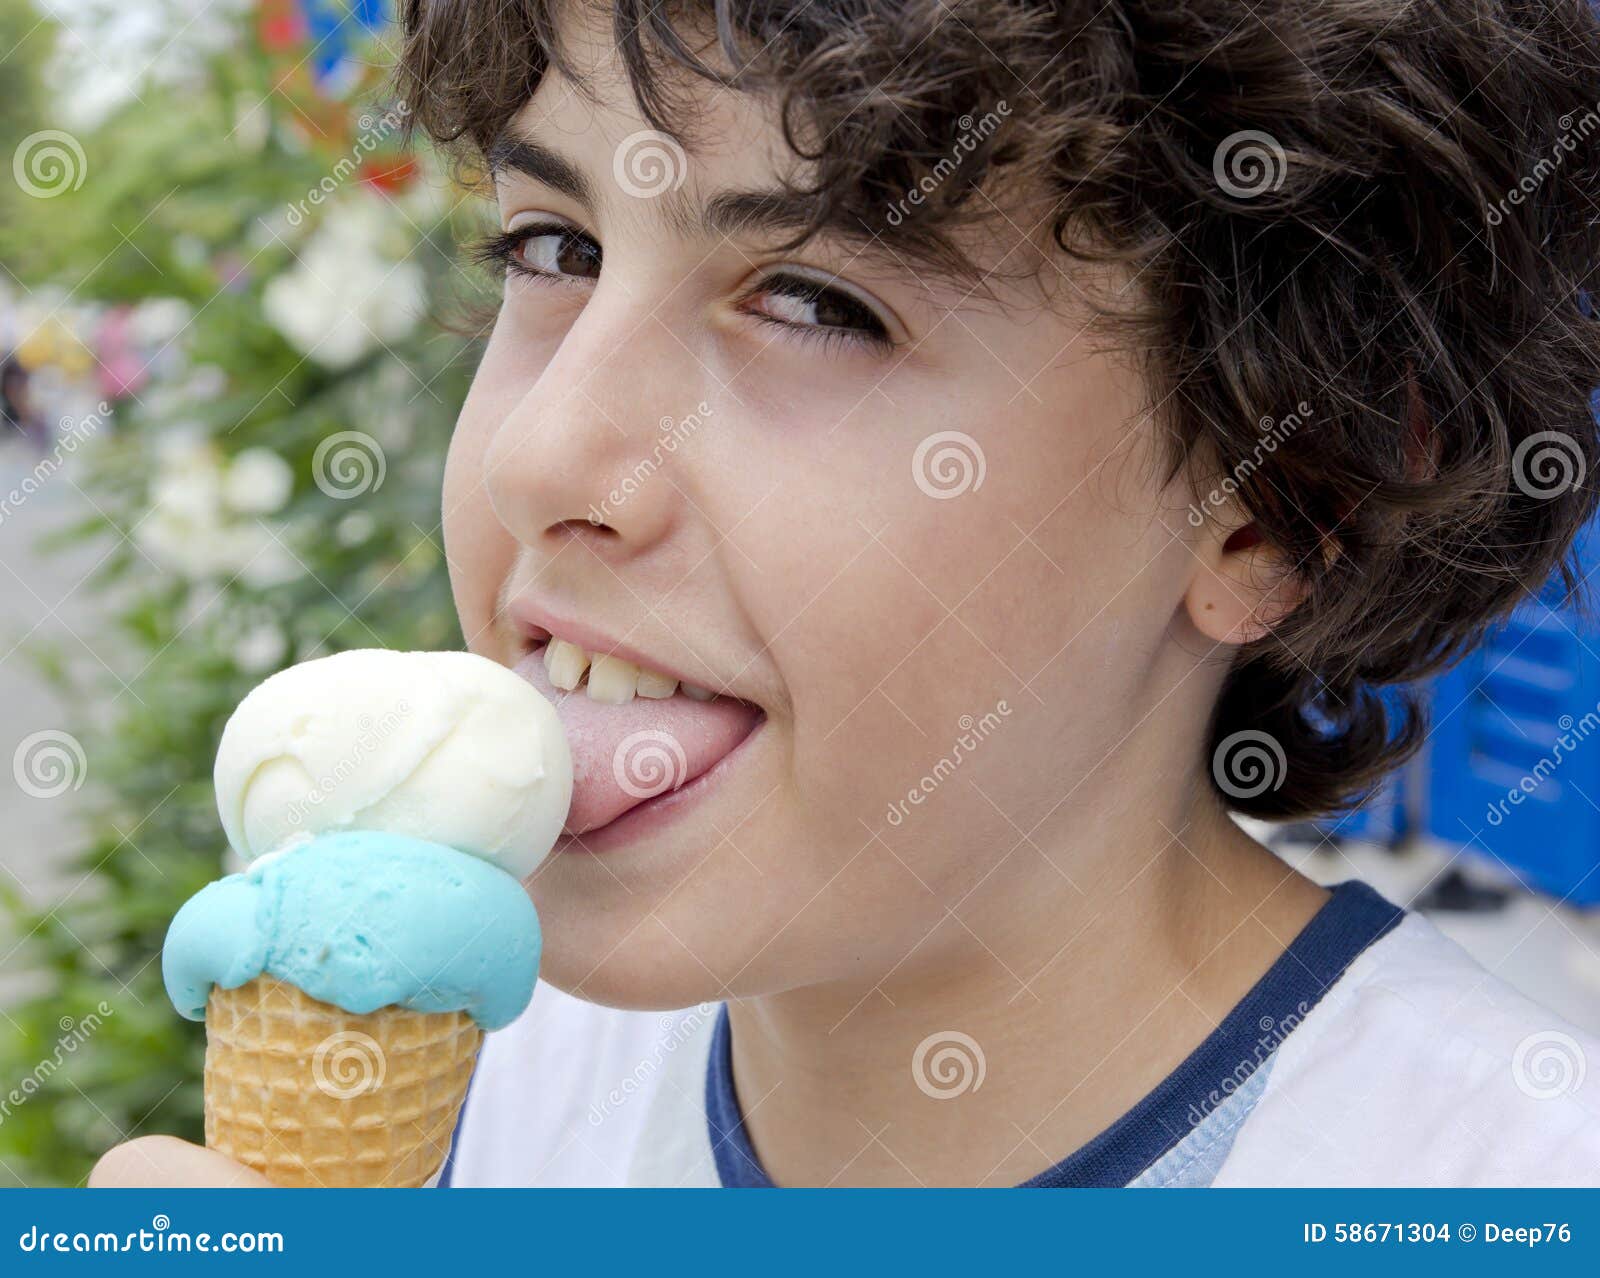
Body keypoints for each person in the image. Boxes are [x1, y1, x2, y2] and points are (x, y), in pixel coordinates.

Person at [94, 0, 1600, 1187]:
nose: (539, 456)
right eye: (551, 246)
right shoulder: (466, 1082)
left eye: (816, 302)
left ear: (1283, 498)